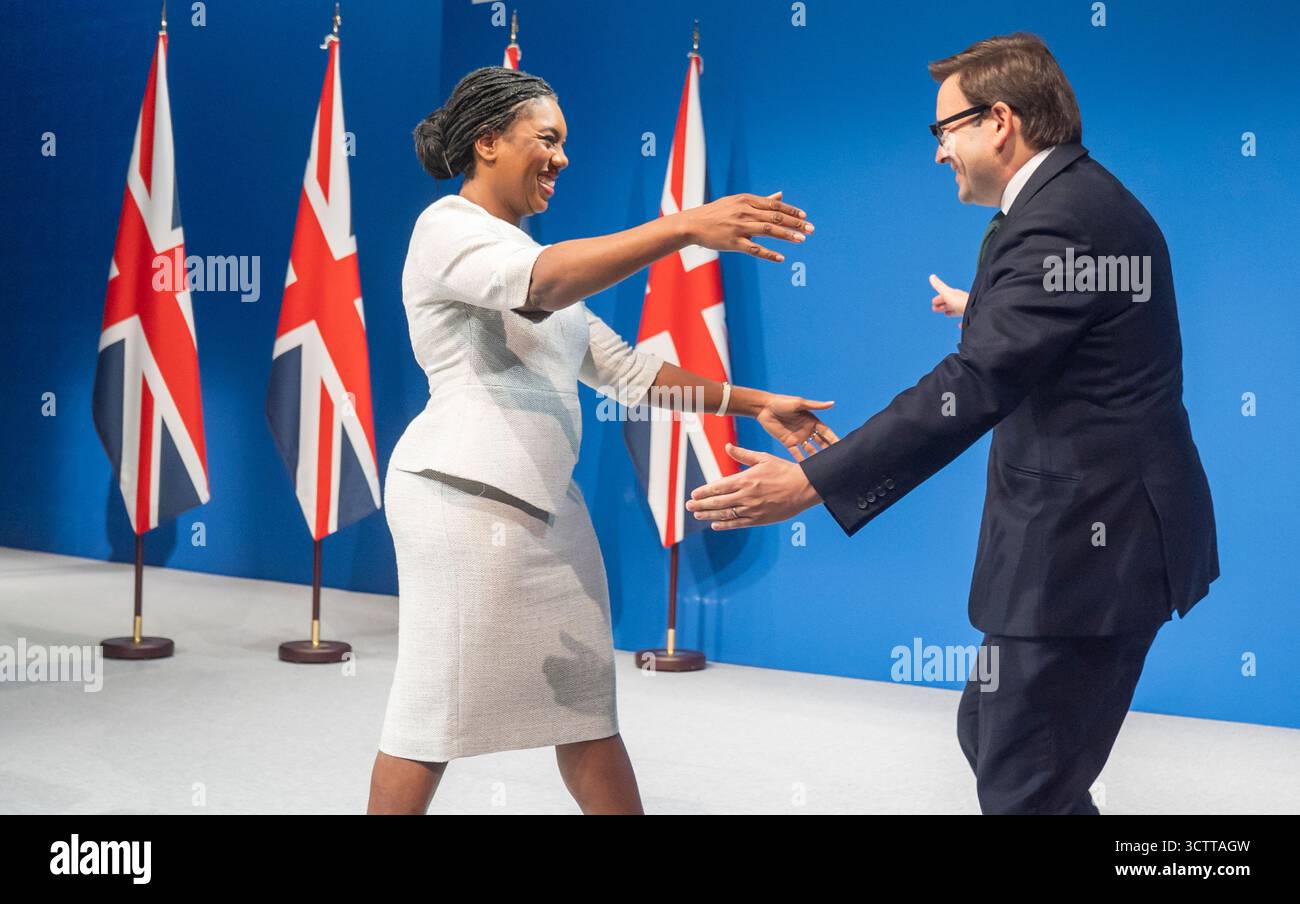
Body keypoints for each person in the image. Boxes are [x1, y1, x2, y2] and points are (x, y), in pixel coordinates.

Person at [685, 33, 1219, 814]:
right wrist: (989, 310)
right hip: (1095, 542)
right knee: (1000, 741)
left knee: (1022, 778)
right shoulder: (1073, 202)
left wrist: (811, 481)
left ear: (999, 120)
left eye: (945, 131)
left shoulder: (1058, 220)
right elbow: (1083, 321)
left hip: (1093, 549)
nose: (939, 153)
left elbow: (975, 384)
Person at [366, 66, 837, 815]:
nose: (562, 157)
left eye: (564, 143)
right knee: (434, 713)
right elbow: (541, 285)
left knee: (586, 711)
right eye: (545, 139)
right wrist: (681, 226)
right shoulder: (447, 230)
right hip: (460, 504)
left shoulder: (526, 250)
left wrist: (757, 403)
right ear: (486, 143)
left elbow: (628, 371)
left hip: (552, 510)